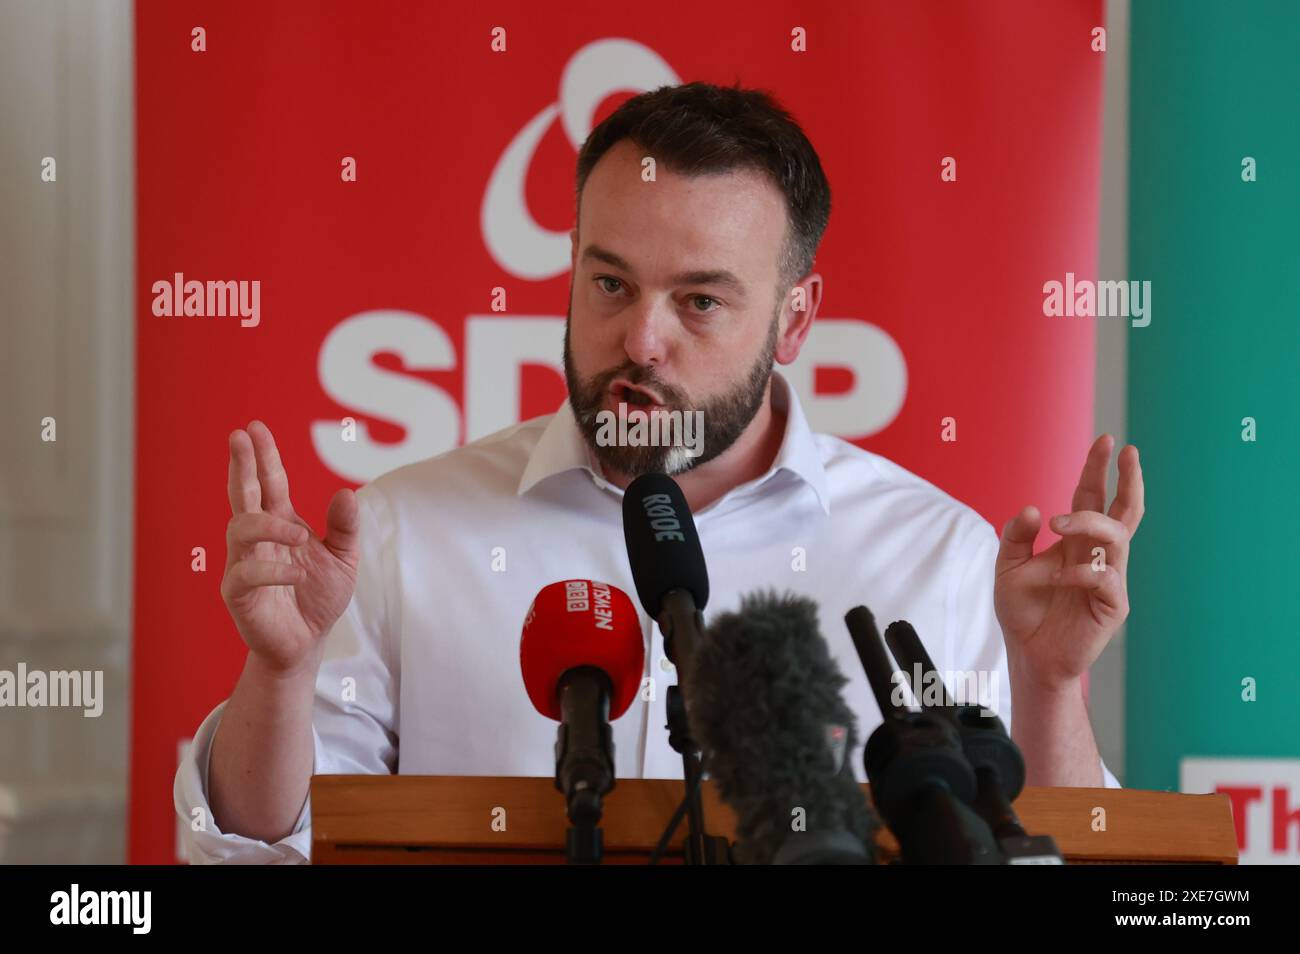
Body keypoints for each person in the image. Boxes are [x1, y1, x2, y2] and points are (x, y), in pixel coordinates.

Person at [175, 81, 1141, 864]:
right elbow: (256, 854)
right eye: (610, 284)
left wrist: (1048, 685)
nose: (640, 338)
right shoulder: (400, 532)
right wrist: (281, 671)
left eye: (700, 302)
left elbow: (1049, 859)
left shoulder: (938, 558)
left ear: (795, 319)